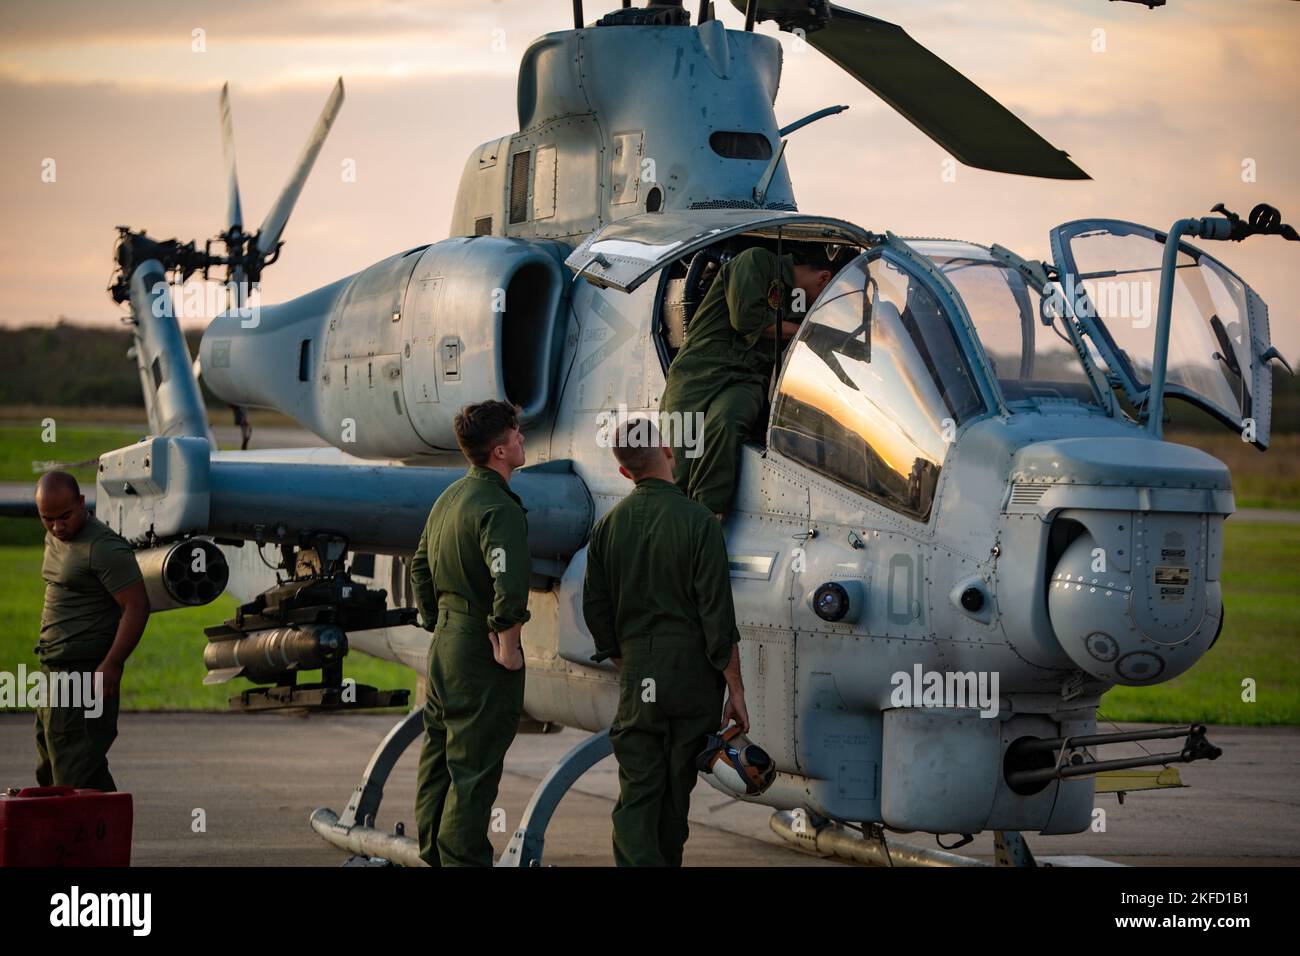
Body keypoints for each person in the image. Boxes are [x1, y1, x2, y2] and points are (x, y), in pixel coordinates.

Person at [583, 417, 749, 866]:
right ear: (669, 452)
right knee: (677, 796)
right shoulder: (699, 522)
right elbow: (719, 618)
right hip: (692, 679)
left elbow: (595, 609)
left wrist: (627, 659)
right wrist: (735, 690)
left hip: (639, 672)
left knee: (638, 794)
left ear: (624, 472)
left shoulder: (607, 528)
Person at [410, 400, 532, 866]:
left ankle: (434, 857)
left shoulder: (450, 498)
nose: (522, 438)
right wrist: (509, 648)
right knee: (473, 772)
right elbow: (510, 584)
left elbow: (419, 566)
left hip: (445, 644)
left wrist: (434, 620)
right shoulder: (499, 509)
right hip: (479, 652)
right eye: (516, 433)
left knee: (438, 762)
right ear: (500, 451)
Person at [659, 244, 836, 518]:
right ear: (823, 278)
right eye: (822, 298)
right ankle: (673, 531)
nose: (816, 308)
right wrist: (814, 331)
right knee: (678, 467)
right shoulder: (756, 261)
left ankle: (707, 518)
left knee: (727, 422)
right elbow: (746, 320)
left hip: (746, 379)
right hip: (698, 375)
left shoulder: (799, 308)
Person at [33, 470, 150, 791]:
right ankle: (75, 839)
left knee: (76, 773)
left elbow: (137, 607)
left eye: (65, 516)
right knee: (52, 770)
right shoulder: (56, 538)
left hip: (82, 671)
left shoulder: (104, 548)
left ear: (82, 503)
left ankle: (92, 838)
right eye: (48, 518)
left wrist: (112, 663)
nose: (57, 526)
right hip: (51, 670)